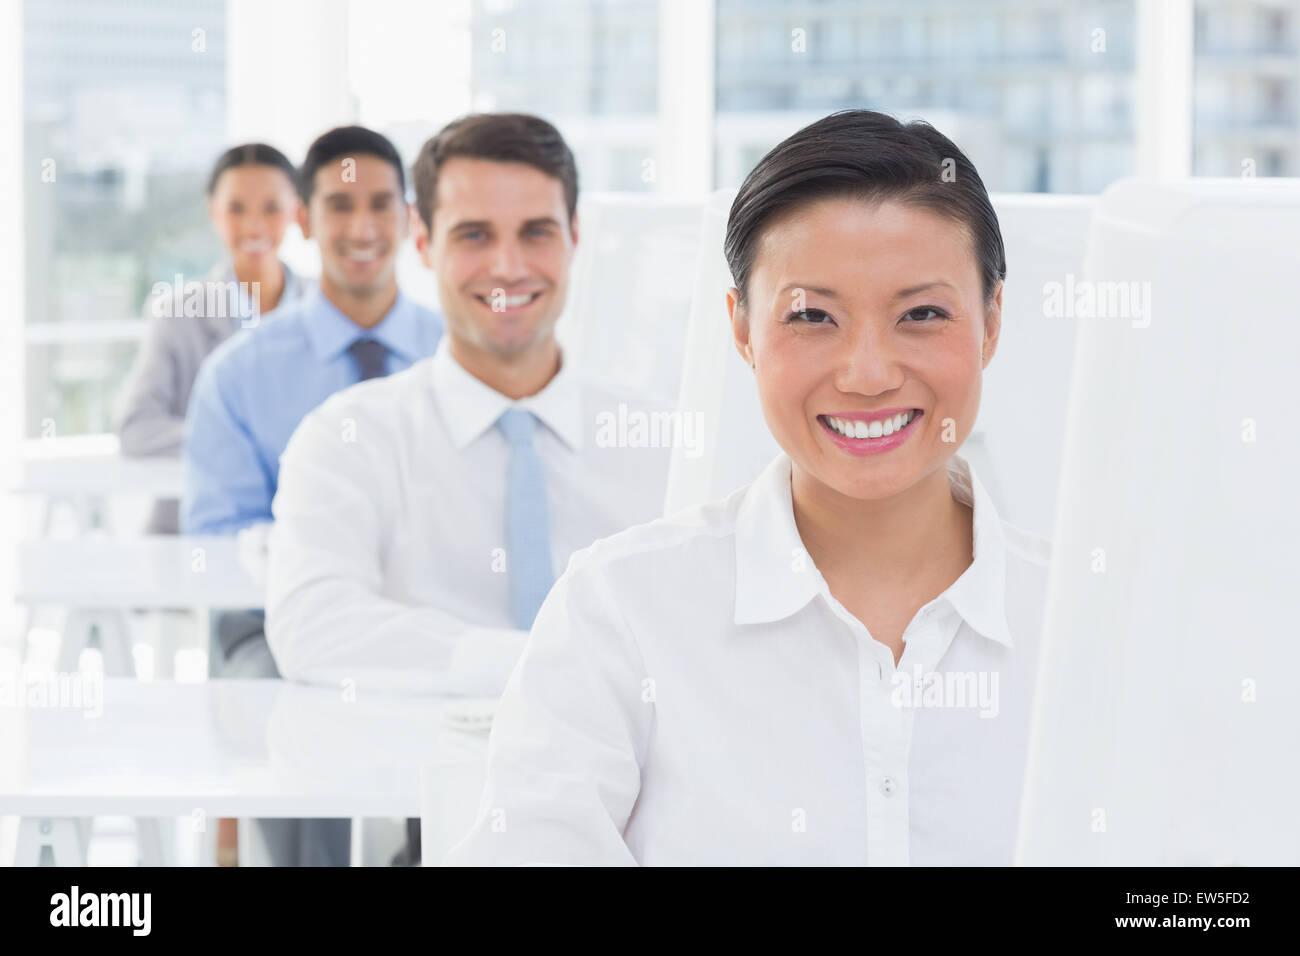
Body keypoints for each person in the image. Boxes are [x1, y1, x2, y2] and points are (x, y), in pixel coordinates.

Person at [443, 109, 1052, 866]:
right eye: (812, 316)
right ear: (741, 330)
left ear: (992, 321)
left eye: (922, 313)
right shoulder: (621, 611)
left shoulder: (1079, 624)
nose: (867, 373)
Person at [264, 113, 672, 861]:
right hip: (439, 826)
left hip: (652, 818)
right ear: (423, 242)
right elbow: (310, 623)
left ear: (575, 237)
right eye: (475, 234)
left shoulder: (663, 440)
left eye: (537, 232)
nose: (509, 267)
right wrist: (538, 661)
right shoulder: (350, 435)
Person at [183, 124, 444, 866]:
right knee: (297, 715)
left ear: (409, 219)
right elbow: (219, 544)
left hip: (430, 613)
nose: (361, 228)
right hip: (272, 626)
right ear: (304, 218)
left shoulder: (453, 356)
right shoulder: (238, 375)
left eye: (381, 205)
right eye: (339, 205)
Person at [115, 143, 305, 533]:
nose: (254, 226)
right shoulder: (177, 312)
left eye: (271, 208)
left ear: (298, 212)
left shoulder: (325, 310)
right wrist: (240, 440)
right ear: (213, 212)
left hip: (308, 532)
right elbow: (137, 427)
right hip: (191, 534)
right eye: (237, 209)